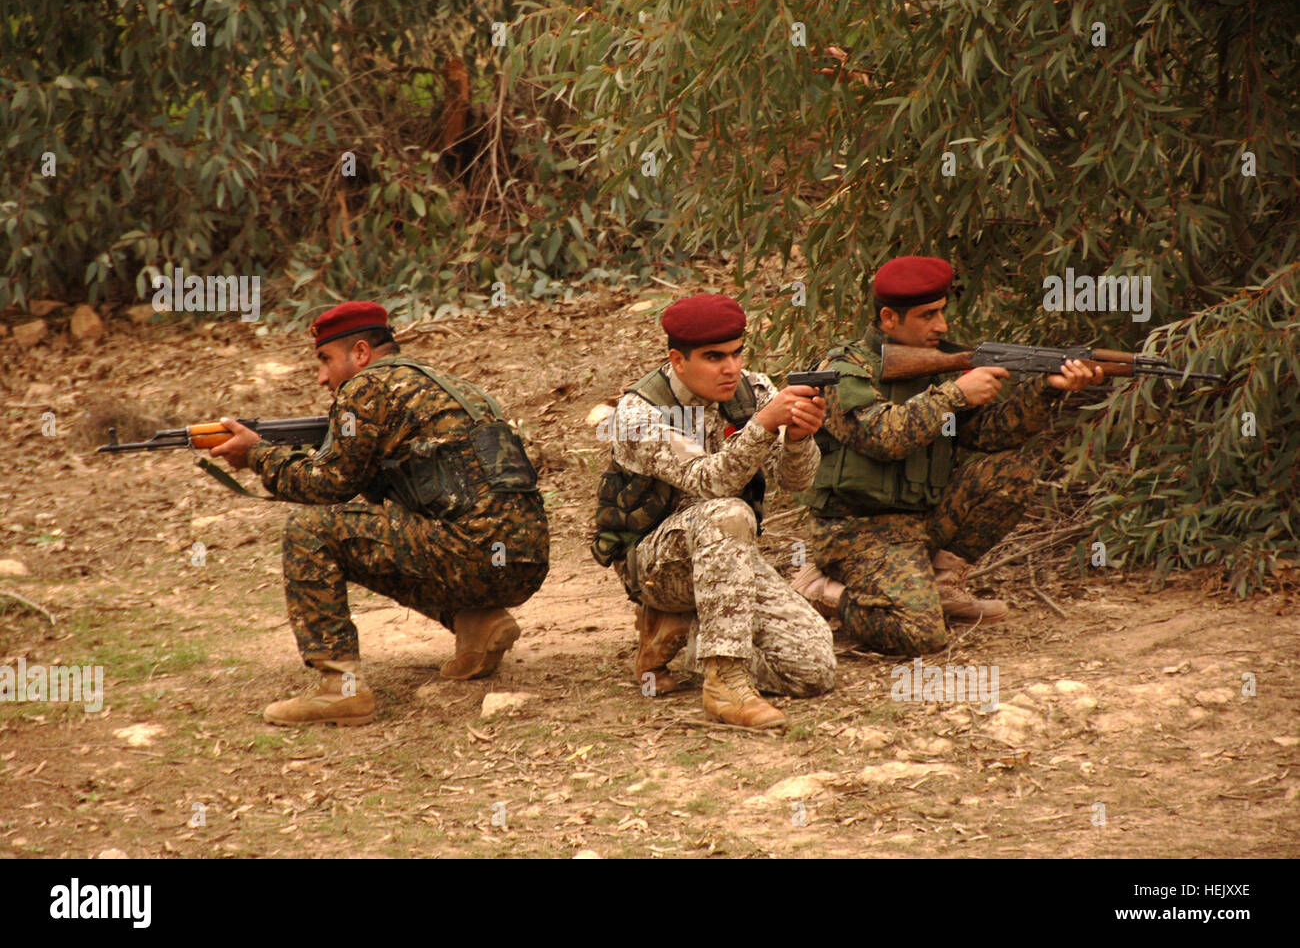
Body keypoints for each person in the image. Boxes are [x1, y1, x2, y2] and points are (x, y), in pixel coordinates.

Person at [210, 300, 549, 725]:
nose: (321, 377)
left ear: (362, 354)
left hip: (471, 551)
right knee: (376, 534)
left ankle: (339, 689)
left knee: (310, 531)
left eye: (325, 360)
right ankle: (477, 623)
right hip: (524, 558)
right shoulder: (444, 383)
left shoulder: (366, 388)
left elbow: (326, 486)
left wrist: (258, 455)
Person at [793, 256, 1104, 656]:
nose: (942, 326)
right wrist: (956, 394)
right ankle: (824, 592)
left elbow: (992, 435)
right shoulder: (845, 369)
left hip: (923, 520)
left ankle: (940, 587)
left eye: (942, 312)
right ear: (889, 318)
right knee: (923, 636)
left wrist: (1048, 388)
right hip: (856, 532)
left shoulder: (940, 365)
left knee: (1011, 472)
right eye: (928, 315)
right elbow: (881, 437)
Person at [591, 293, 835, 729]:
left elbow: (797, 482)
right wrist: (762, 426)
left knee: (812, 668)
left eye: (738, 353)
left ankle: (685, 638)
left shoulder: (755, 391)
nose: (731, 367)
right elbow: (710, 481)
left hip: (729, 560)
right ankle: (725, 681)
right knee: (726, 513)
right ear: (677, 360)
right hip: (656, 565)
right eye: (714, 357)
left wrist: (799, 438)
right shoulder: (640, 411)